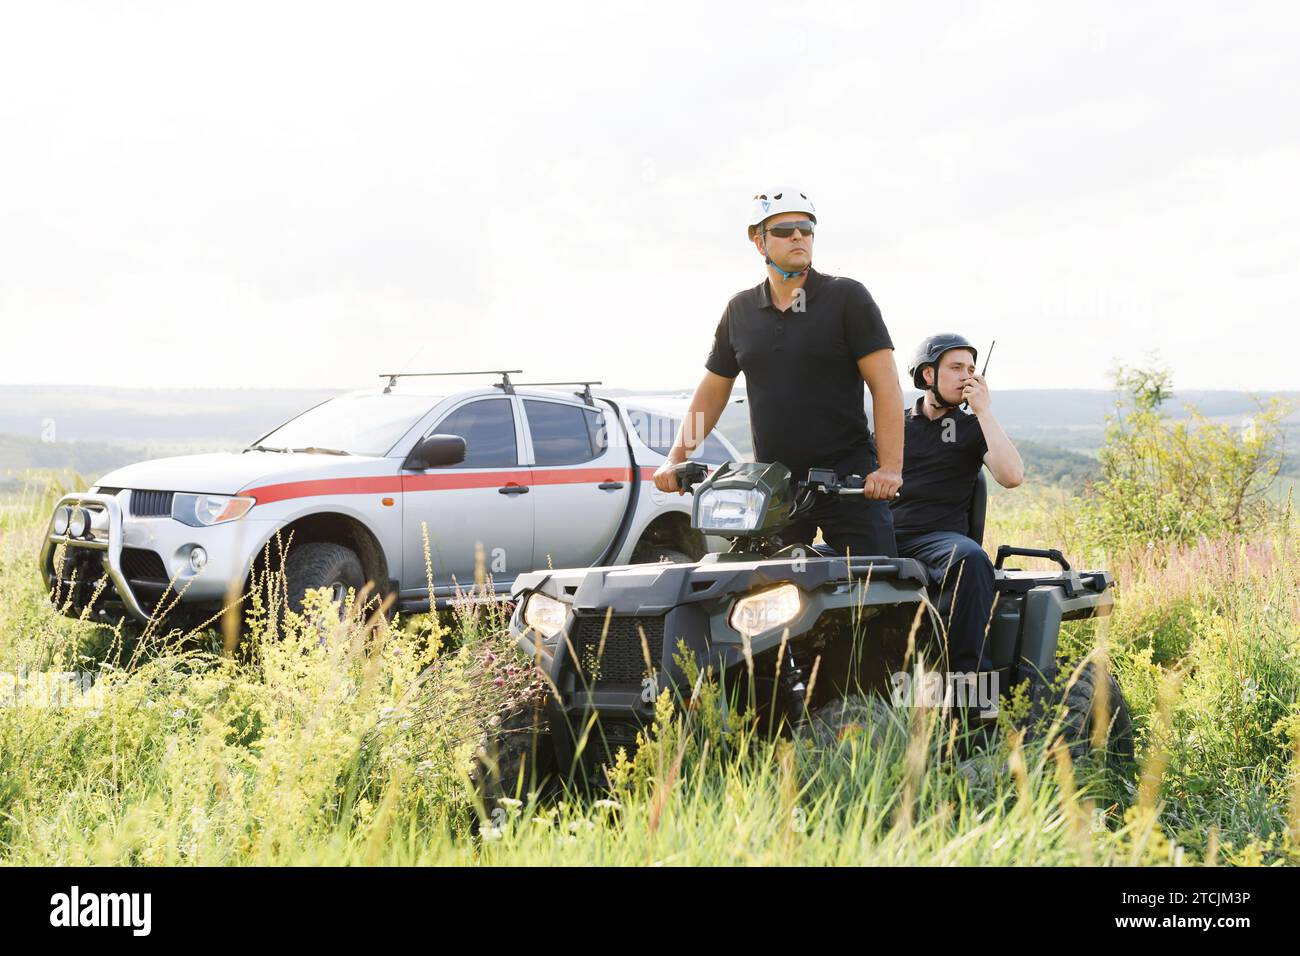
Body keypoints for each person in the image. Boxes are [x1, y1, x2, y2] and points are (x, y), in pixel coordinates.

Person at [652, 187, 904, 557]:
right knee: (759, 598)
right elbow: (712, 392)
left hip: (850, 481)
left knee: (876, 589)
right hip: (772, 485)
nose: (798, 236)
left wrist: (890, 469)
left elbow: (886, 387)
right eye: (785, 230)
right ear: (759, 242)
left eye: (806, 228)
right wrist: (676, 457)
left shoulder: (847, 298)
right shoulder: (740, 310)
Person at [891, 334, 1024, 675]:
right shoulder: (892, 424)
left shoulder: (971, 428)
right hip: (882, 535)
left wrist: (984, 411)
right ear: (928, 374)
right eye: (956, 368)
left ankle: (972, 692)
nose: (967, 376)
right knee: (808, 560)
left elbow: (1011, 476)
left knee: (971, 559)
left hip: (937, 540)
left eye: (971, 369)